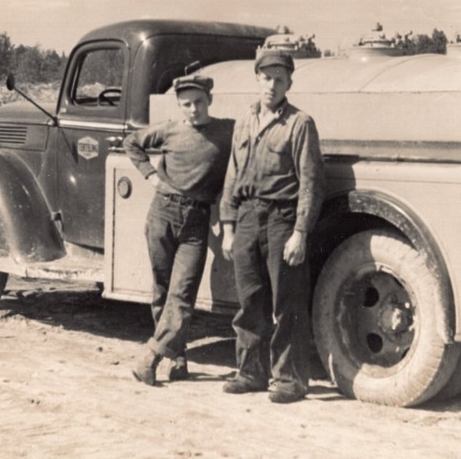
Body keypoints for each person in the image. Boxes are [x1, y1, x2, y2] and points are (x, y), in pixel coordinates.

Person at [219, 50, 325, 404]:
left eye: (280, 79)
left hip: (282, 219)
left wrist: (300, 232)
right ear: (257, 79)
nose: (272, 85)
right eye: (266, 77)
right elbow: (232, 175)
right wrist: (229, 226)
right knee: (250, 301)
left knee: (287, 302)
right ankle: (250, 372)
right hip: (247, 216)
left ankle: (289, 379)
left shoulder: (299, 124)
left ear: (289, 84)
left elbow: (310, 182)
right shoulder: (244, 122)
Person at [124, 72, 234, 386]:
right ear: (179, 106)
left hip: (196, 223)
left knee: (181, 294)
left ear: (209, 100)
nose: (194, 109)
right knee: (161, 291)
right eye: (187, 104)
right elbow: (132, 142)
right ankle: (178, 357)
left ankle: (151, 357)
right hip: (162, 213)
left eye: (199, 102)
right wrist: (150, 176)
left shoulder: (226, 131)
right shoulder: (169, 131)